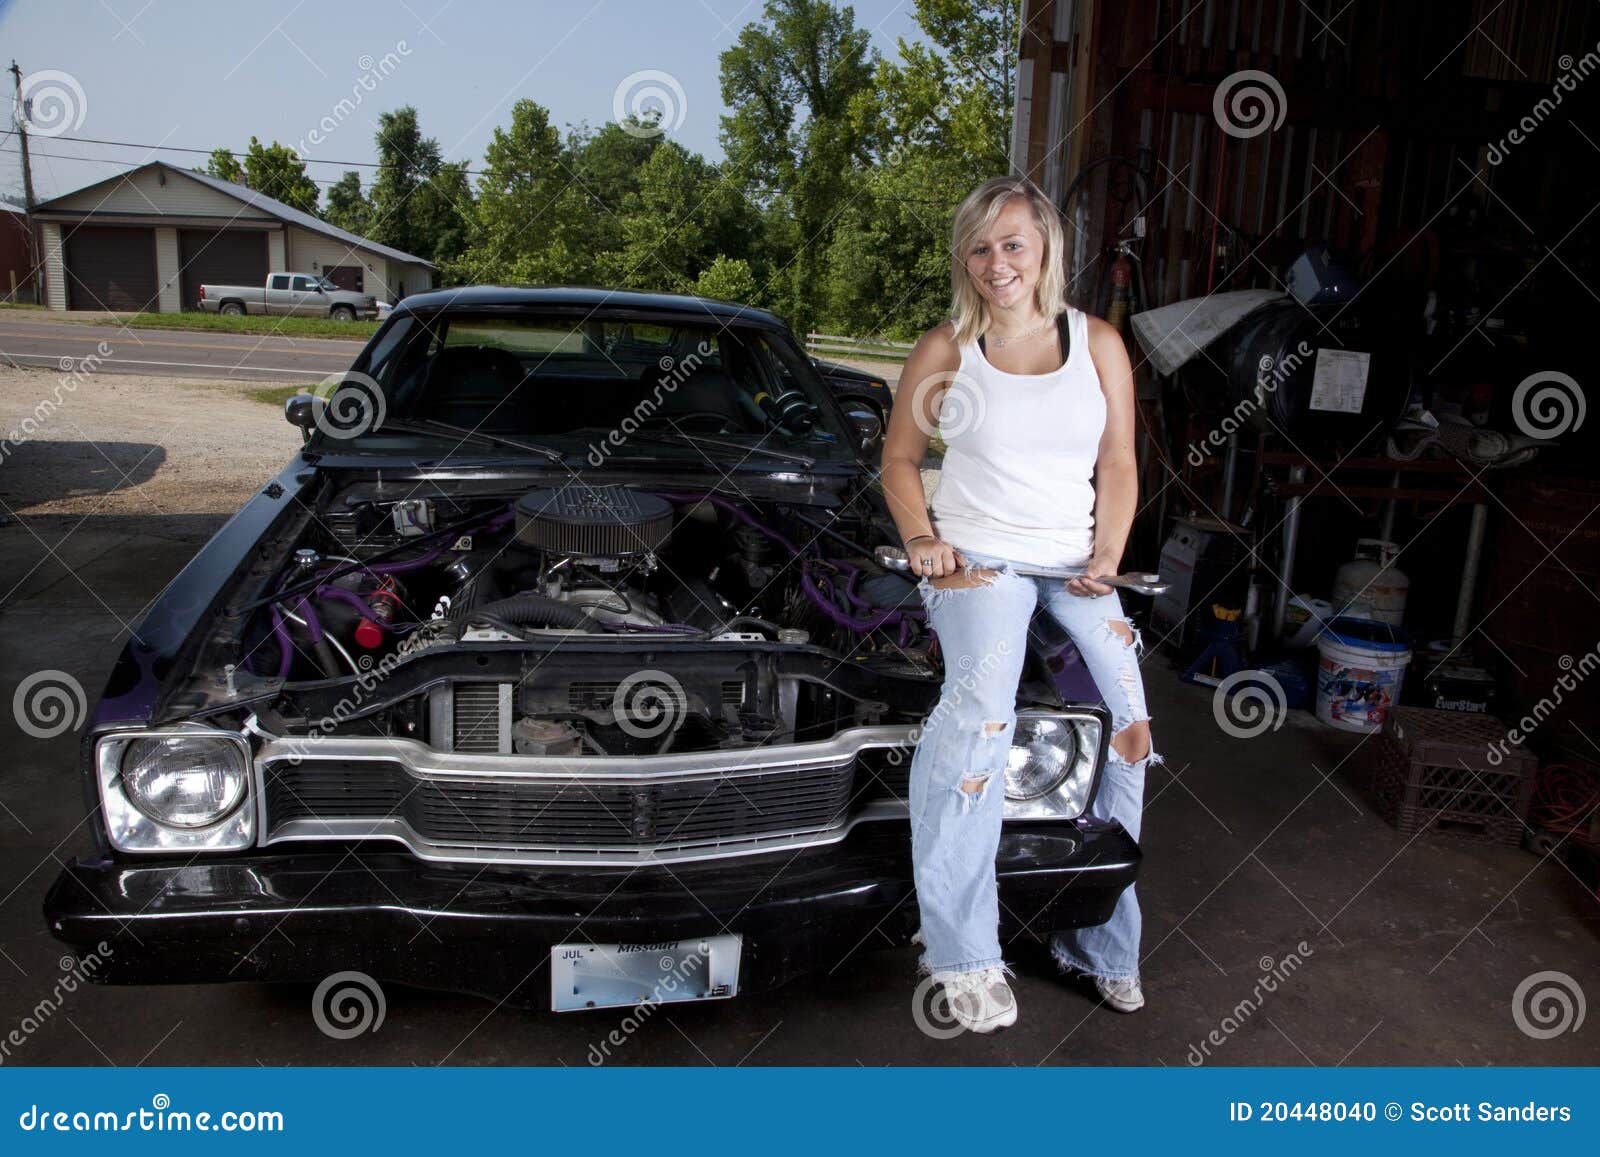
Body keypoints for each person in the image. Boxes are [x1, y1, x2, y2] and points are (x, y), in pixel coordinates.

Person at [879, 174, 1159, 1034]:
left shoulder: (1098, 342)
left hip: (1074, 559)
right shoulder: (947, 350)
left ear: (1045, 252)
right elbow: (898, 461)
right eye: (980, 246)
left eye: (1012, 244)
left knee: (1131, 724)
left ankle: (1098, 943)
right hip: (978, 557)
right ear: (964, 258)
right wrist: (925, 538)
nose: (996, 262)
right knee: (984, 710)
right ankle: (960, 948)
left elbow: (1117, 462)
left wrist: (1108, 553)